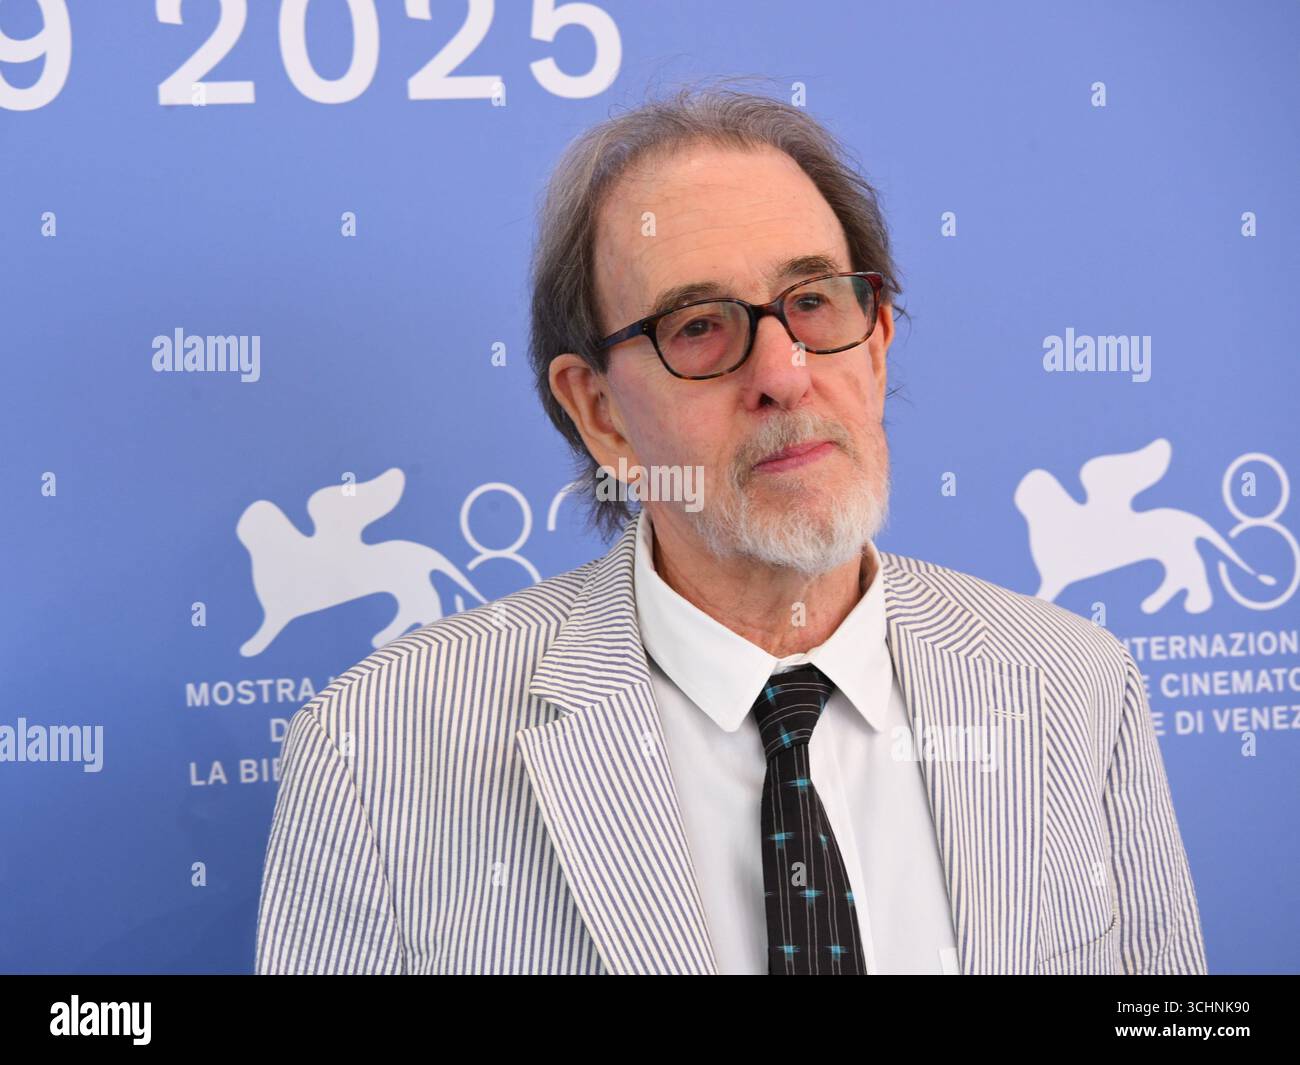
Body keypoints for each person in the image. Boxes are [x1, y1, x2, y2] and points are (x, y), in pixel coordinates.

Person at [254, 85, 1207, 975]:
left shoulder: (1077, 685)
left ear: (875, 344)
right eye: (701, 325)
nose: (785, 373)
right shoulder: (377, 750)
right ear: (601, 415)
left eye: (814, 302)